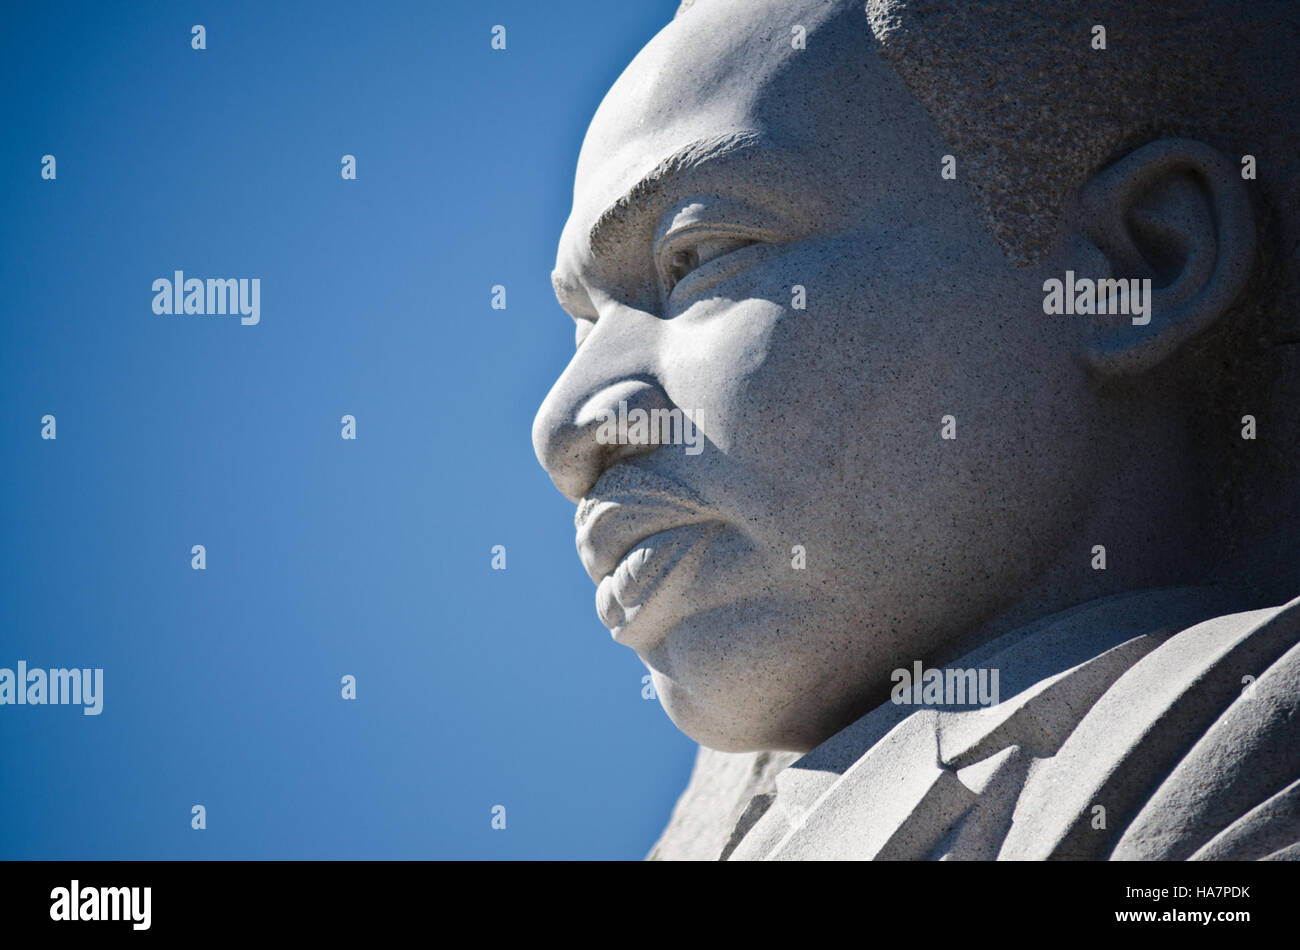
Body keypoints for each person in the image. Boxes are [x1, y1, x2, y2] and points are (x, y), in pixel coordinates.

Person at [532, 0, 1300, 859]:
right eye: (582, 327)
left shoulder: (1253, 760)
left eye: (698, 257)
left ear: (1135, 265)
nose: (563, 428)